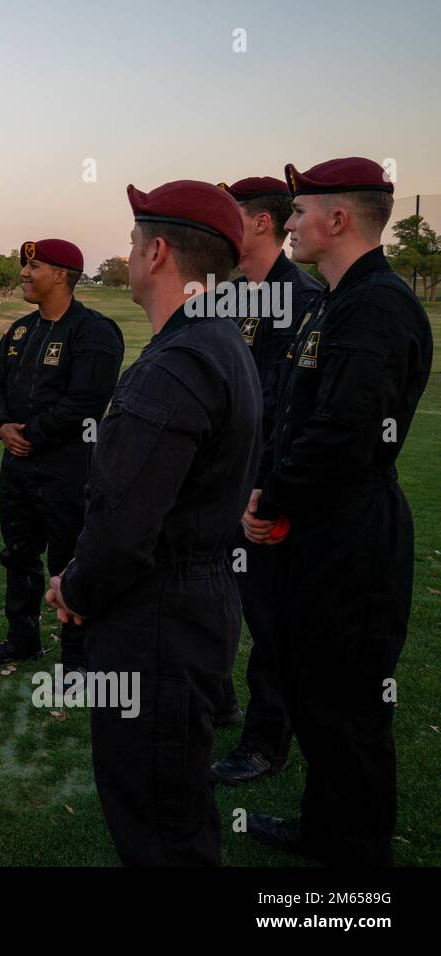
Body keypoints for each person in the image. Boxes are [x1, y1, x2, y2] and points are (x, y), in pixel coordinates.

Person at [45, 181, 261, 865]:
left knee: (158, 823)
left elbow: (123, 528)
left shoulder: (178, 363)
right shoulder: (219, 342)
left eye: (136, 240)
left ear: (159, 251)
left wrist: (74, 590)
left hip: (158, 624)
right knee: (177, 801)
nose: (131, 252)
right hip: (191, 605)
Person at [243, 158, 433, 865]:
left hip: (351, 531)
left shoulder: (376, 306)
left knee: (349, 708)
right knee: (316, 693)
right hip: (320, 525)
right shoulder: (336, 300)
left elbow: (344, 434)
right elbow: (298, 415)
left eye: (299, 211)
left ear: (339, 219)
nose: (290, 224)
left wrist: (272, 496)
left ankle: (353, 858)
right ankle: (323, 830)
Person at [210, 178, 324, 780]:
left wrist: (265, 491)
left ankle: (264, 744)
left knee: (270, 619)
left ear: (258, 223)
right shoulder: (224, 296)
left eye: (230, 211)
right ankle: (219, 700)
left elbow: (293, 406)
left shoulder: (304, 295)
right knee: (212, 596)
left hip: (261, 489)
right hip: (216, 482)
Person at [0, 239, 123, 675]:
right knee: (18, 554)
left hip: (68, 469)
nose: (23, 273)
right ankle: (22, 640)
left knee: (69, 561)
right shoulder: (21, 329)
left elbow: (86, 401)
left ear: (61, 275)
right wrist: (2, 426)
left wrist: (33, 434)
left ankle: (78, 659)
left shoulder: (94, 330)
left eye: (33, 266)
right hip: (18, 466)